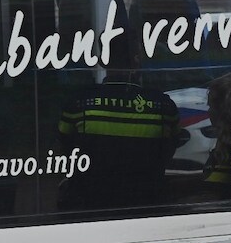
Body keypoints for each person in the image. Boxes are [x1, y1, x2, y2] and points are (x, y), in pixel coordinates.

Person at [57, 49, 179, 211]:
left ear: (102, 61)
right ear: (137, 61)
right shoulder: (162, 105)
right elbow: (171, 146)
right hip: (146, 203)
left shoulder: (79, 102)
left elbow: (65, 146)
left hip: (89, 204)